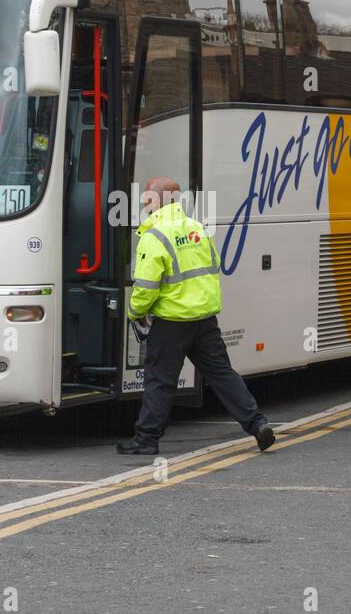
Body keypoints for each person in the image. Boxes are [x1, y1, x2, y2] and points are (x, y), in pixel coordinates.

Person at [117, 177, 275, 456]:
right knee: (223, 375)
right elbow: (213, 267)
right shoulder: (198, 229)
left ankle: (146, 439)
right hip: (204, 320)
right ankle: (257, 424)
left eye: (147, 197)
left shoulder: (154, 236)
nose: (143, 202)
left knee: (159, 380)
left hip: (172, 322)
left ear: (158, 201)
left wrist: (135, 312)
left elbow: (146, 286)